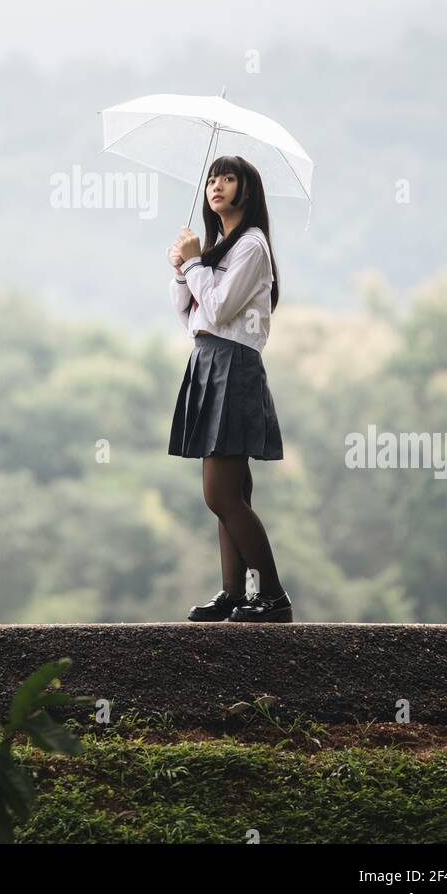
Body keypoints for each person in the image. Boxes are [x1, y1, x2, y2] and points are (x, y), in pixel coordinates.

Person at [167, 154, 292, 623]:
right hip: (208, 361)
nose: (216, 185)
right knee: (233, 493)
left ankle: (274, 597)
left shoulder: (251, 247)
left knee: (220, 495)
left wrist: (196, 262)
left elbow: (218, 309)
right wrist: (183, 268)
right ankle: (233, 593)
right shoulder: (222, 245)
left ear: (247, 189)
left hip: (233, 365)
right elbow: (190, 316)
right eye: (212, 178)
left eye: (228, 178)